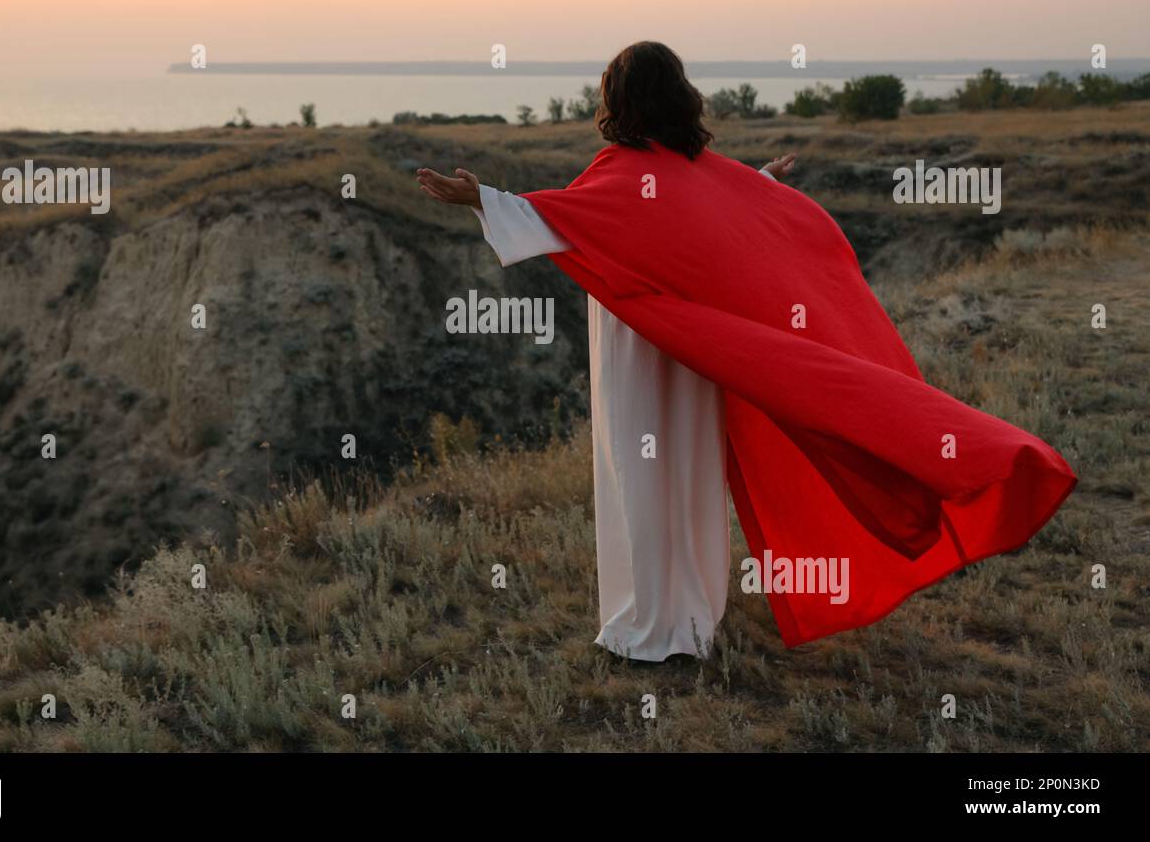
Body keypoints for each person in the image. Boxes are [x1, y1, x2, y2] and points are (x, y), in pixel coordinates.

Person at [416, 42, 1075, 660]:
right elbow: (712, 220)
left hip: (642, 357)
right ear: (681, 98)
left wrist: (481, 198)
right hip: (697, 363)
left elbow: (561, 221)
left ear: (616, 101)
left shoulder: (622, 173)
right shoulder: (699, 170)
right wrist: (764, 182)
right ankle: (694, 617)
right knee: (693, 474)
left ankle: (650, 626)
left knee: (642, 478)